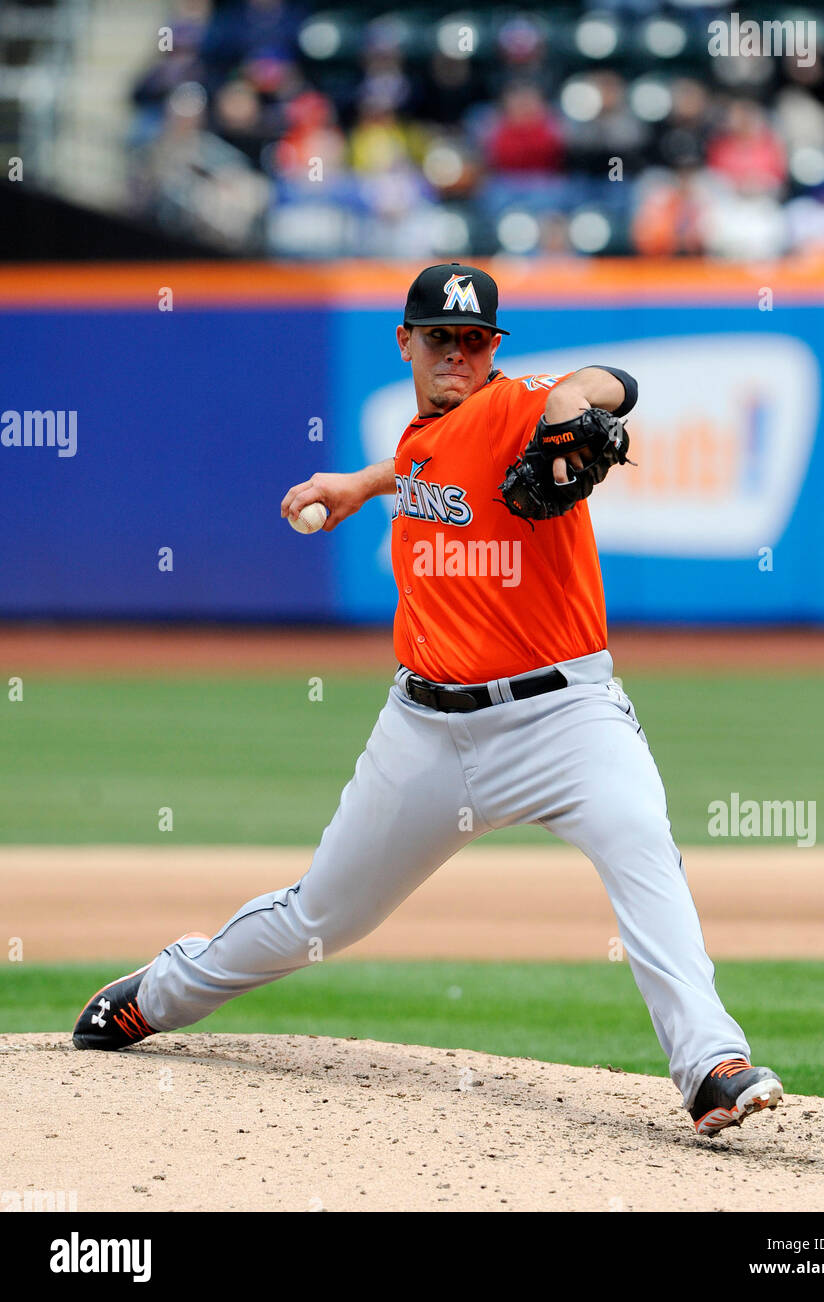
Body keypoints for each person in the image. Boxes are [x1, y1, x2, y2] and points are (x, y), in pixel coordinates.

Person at [72, 262, 783, 1138]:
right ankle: (156, 994)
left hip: (566, 721)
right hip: (423, 734)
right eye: (439, 336)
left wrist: (567, 406)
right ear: (406, 341)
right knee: (319, 917)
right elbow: (421, 463)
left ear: (493, 349)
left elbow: (612, 384)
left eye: (473, 338)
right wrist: (360, 486)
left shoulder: (515, 403)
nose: (456, 352)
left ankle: (711, 1064)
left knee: (644, 853)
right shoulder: (420, 439)